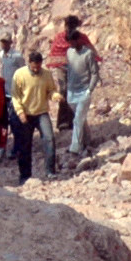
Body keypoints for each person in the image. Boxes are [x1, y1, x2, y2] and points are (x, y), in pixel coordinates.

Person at [10, 48, 60, 184]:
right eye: (34, 67)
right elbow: (15, 96)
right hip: (25, 114)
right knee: (24, 145)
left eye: (38, 67)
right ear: (29, 64)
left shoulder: (47, 74)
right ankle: (25, 176)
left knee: (49, 139)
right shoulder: (19, 74)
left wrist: (55, 96)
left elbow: (51, 90)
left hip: (41, 113)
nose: (36, 69)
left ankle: (50, 172)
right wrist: (20, 112)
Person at [47, 15, 89, 132]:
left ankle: (76, 120)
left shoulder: (80, 37)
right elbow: (55, 52)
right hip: (62, 68)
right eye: (67, 26)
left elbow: (88, 50)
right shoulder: (59, 37)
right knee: (64, 91)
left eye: (71, 26)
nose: (68, 29)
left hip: (76, 69)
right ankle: (63, 122)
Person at [64, 31, 100, 159]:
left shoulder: (88, 53)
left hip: (84, 91)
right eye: (69, 42)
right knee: (80, 118)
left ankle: (75, 148)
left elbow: (95, 73)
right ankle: (87, 141)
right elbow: (69, 70)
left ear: (78, 40)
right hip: (72, 92)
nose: (71, 44)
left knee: (78, 119)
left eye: (73, 41)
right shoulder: (69, 52)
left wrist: (90, 90)